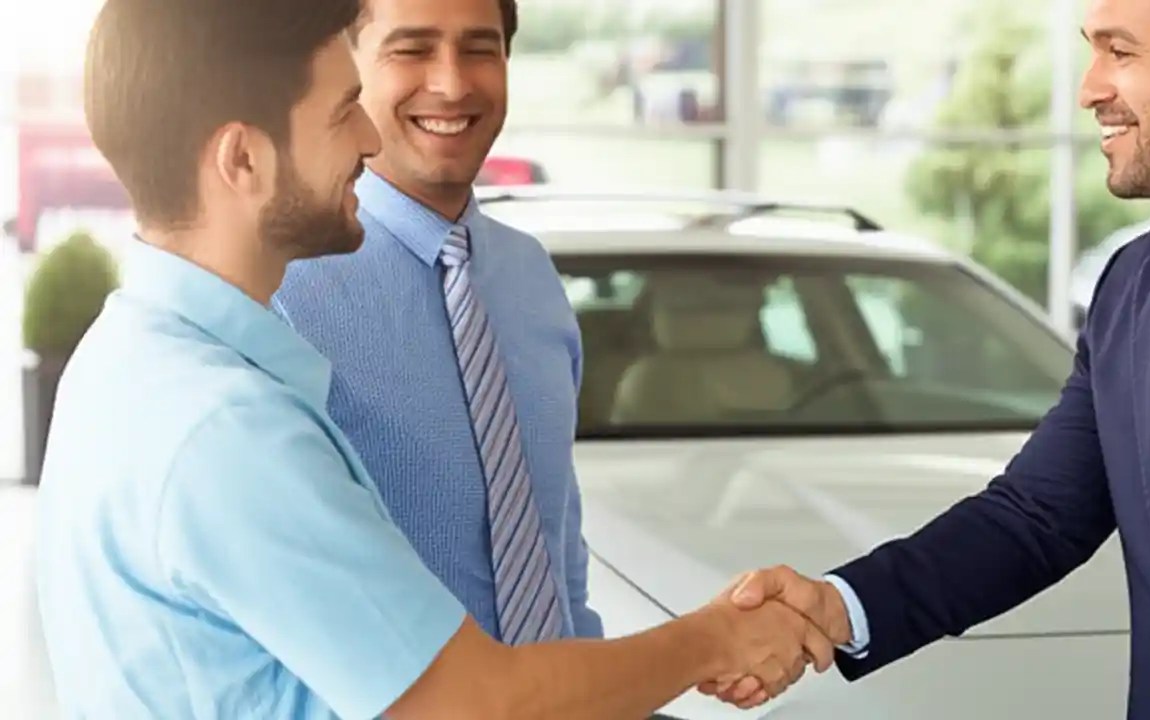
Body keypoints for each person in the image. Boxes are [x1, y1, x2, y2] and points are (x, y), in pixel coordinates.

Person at [34, 0, 835, 716]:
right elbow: (467, 704)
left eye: (479, 47)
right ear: (243, 160)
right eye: (346, 106)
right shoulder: (222, 423)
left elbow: (553, 560)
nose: (368, 135)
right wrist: (712, 641)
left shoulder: (134, 359)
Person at [715, 0, 1150, 717]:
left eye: (1121, 52)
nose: (1089, 89)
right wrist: (837, 608)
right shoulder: (1134, 285)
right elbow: (1036, 515)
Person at [271, 0, 600, 645]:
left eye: (480, 49)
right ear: (346, 66)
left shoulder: (531, 276)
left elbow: (559, 546)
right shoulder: (282, 293)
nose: (452, 84)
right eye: (412, 49)